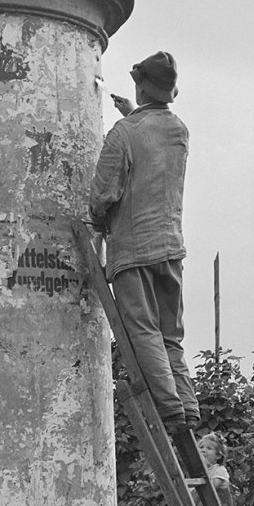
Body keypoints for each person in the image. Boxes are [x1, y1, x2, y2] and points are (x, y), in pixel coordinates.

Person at [90, 51, 200, 432]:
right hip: (170, 247)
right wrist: (133, 112)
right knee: (171, 334)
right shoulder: (179, 131)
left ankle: (170, 409)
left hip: (133, 250)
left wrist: (98, 220)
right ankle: (186, 401)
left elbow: (103, 192)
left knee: (143, 330)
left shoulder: (124, 134)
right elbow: (151, 147)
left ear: (139, 85)